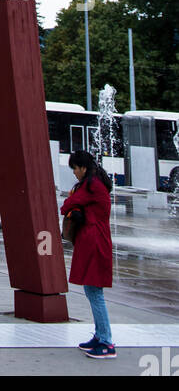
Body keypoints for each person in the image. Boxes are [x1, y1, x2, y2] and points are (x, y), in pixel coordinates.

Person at [61, 149, 116, 359]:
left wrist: (71, 200)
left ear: (83, 167)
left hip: (95, 241)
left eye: (75, 168)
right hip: (95, 239)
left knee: (95, 291)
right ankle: (100, 335)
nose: (74, 173)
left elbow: (67, 205)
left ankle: (107, 342)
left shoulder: (91, 185)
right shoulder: (95, 182)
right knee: (92, 289)